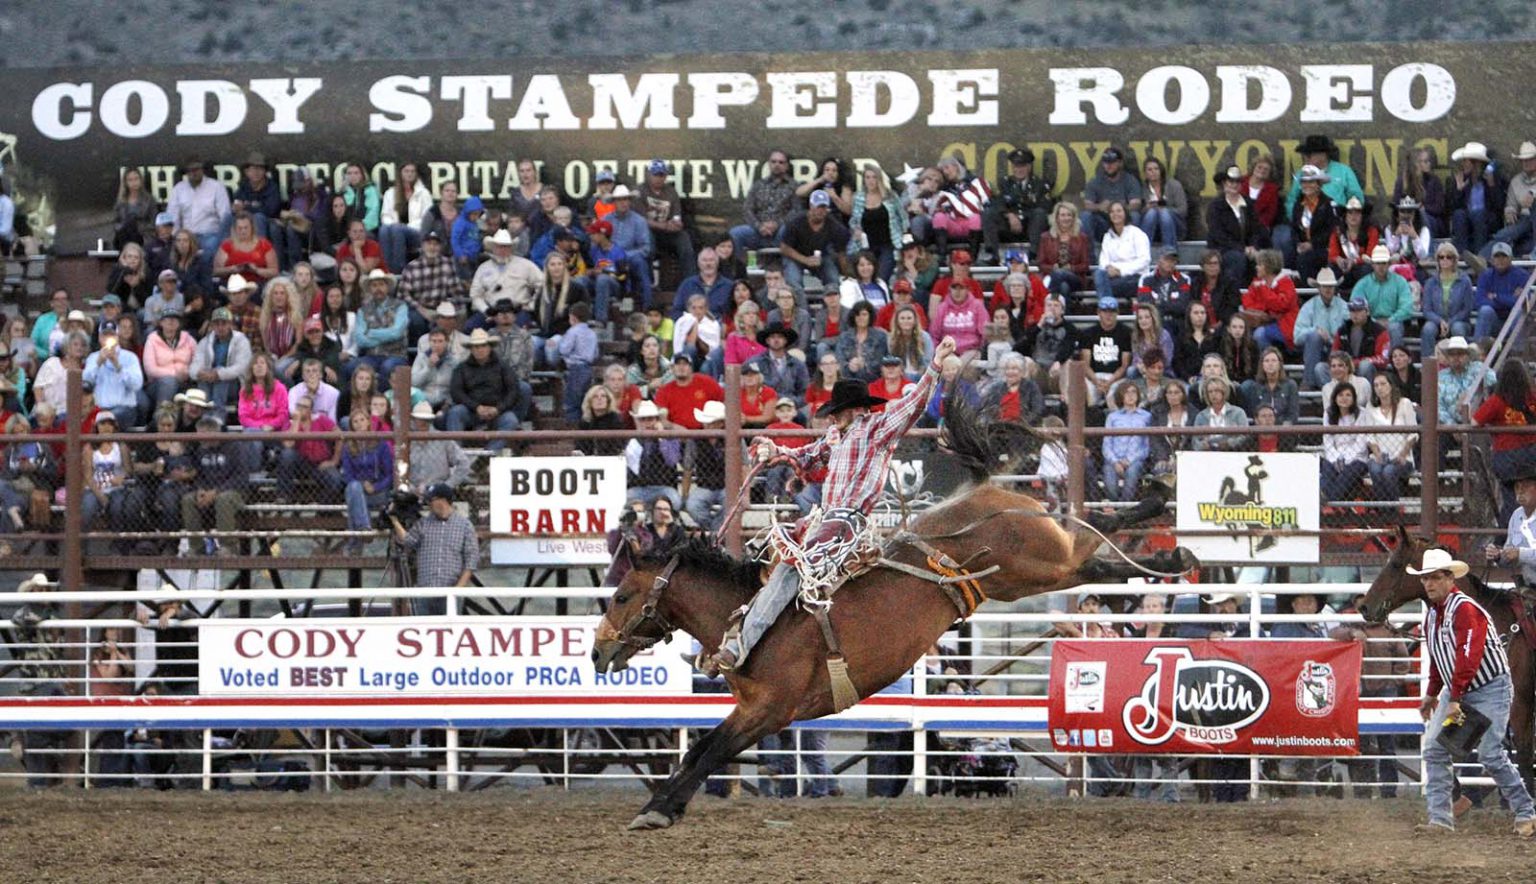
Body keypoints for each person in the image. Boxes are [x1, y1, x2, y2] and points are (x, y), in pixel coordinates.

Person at [710, 335, 960, 673]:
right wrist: (776, 453)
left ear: (855, 410)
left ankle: (739, 645)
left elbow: (912, 404)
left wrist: (934, 365)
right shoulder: (835, 437)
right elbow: (807, 456)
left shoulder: (876, 427)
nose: (832, 419)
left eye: (837, 413)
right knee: (770, 558)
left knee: (791, 568)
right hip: (826, 520)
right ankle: (742, 637)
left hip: (848, 524)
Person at [1407, 548, 1536, 836]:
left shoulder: (1465, 610)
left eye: (1435, 578)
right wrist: (1431, 693)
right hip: (1465, 690)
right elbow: (1442, 659)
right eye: (1426, 578)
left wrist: (1452, 698)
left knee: (1490, 754)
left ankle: (1527, 811)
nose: (1429, 584)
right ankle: (1440, 819)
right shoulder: (1433, 617)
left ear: (1449, 579)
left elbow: (1469, 656)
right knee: (1436, 750)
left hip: (1489, 689)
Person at [390, 483, 479, 616]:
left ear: (443, 501)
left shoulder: (465, 526)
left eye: (431, 501)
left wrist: (458, 590)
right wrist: (394, 521)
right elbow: (408, 541)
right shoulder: (423, 523)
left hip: (451, 591)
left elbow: (471, 560)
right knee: (424, 631)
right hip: (425, 590)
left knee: (450, 632)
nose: (428, 505)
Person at [1473, 359, 1536, 519]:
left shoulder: (1496, 401)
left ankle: (1505, 538)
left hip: (1507, 458)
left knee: (1511, 501)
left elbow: (1474, 422)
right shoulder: (1532, 398)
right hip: (1531, 455)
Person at [445, 328, 523, 450]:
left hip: (498, 412)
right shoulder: (461, 368)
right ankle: (456, 456)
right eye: (476, 346)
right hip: (471, 412)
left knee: (511, 420)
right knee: (456, 412)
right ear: (471, 349)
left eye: (483, 346)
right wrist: (476, 407)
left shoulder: (503, 367)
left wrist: (498, 409)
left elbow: (513, 391)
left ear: (489, 347)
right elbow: (456, 392)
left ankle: (487, 456)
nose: (479, 349)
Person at [180, 416, 245, 556]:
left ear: (214, 431)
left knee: (223, 499)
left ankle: (229, 547)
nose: (200, 438)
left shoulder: (233, 446)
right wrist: (200, 490)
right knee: (188, 500)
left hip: (234, 492)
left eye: (203, 434)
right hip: (208, 491)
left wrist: (215, 492)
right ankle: (196, 547)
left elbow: (241, 477)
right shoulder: (198, 449)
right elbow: (197, 475)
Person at [983, 147, 1053, 264]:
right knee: (988, 213)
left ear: (1029, 167)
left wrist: (1022, 217)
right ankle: (993, 255)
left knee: (1040, 214)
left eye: (1022, 166)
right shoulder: (1004, 183)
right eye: (1016, 166)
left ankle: (1033, 255)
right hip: (1008, 226)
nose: (1019, 170)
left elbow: (1046, 207)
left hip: (1030, 227)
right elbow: (998, 203)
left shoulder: (1040, 184)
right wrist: (1010, 215)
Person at [340, 406, 393, 553]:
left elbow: (390, 474)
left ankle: (354, 545)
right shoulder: (348, 447)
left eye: (362, 420)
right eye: (355, 422)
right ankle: (364, 528)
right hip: (359, 491)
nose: (359, 424)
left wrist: (375, 487)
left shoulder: (381, 444)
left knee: (353, 500)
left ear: (368, 422)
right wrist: (363, 485)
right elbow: (348, 475)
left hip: (379, 492)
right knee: (354, 488)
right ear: (352, 426)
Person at [1207, 165, 1268, 287]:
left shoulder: (1248, 203)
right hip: (1222, 250)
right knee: (1237, 258)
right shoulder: (1215, 206)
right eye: (1231, 181)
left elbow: (1257, 229)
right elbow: (1218, 235)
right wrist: (1241, 249)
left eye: (1237, 182)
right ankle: (1235, 294)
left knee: (1263, 258)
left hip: (1246, 249)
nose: (1234, 185)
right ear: (1224, 184)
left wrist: (1253, 246)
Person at [730, 149, 798, 257]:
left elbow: (796, 211)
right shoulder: (758, 185)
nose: (777, 165)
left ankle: (783, 265)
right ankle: (737, 269)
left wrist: (777, 224)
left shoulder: (794, 186)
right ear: (769, 164)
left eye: (781, 162)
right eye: (773, 162)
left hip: (780, 234)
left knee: (787, 230)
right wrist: (759, 226)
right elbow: (747, 209)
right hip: (758, 232)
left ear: (787, 166)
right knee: (735, 233)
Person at [637, 159, 695, 282]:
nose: (658, 178)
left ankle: (690, 282)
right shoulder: (640, 191)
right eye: (655, 174)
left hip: (667, 233)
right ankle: (648, 282)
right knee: (647, 239)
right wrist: (662, 225)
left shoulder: (671, 192)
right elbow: (640, 220)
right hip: (648, 231)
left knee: (684, 239)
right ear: (648, 175)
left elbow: (676, 216)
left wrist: (676, 224)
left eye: (661, 175)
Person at [779, 190, 850, 290]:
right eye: (818, 207)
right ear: (811, 206)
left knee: (833, 279)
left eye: (824, 207)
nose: (821, 211)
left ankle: (831, 303)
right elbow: (784, 248)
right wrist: (805, 260)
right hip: (795, 256)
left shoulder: (834, 225)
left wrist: (847, 274)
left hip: (821, 256)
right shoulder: (796, 221)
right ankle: (801, 305)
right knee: (793, 280)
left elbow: (841, 252)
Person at [83, 322, 148, 428]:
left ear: (117, 337)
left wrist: (118, 366)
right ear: (99, 337)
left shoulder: (130, 357)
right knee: (98, 418)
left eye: (112, 335)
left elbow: (136, 385)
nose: (108, 338)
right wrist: (98, 363)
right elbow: (85, 383)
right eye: (105, 335)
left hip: (124, 409)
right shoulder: (93, 358)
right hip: (99, 408)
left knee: (107, 419)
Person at [1447, 141, 1507, 257]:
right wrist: (1459, 190)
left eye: (1466, 161)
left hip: (1486, 219)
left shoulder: (1492, 178)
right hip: (1468, 218)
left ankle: (1479, 256)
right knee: (1459, 214)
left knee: (1479, 215)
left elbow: (1499, 206)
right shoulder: (1463, 180)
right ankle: (1461, 255)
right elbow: (1452, 209)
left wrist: (1491, 185)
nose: (1463, 164)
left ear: (1476, 163)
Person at [1364, 373, 1417, 502]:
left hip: (1403, 456)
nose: (1379, 388)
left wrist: (1403, 454)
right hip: (1379, 454)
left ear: (1391, 386)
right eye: (1376, 385)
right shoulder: (1371, 407)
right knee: (1376, 470)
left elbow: (1413, 434)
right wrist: (1377, 454)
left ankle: (1392, 509)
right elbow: (1370, 435)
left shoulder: (1405, 403)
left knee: (1388, 471)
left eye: (1383, 384)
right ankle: (1383, 509)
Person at [848, 162, 907, 278]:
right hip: (866, 245)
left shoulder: (890, 196)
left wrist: (904, 235)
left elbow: (903, 217)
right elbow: (854, 220)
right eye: (867, 177)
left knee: (882, 277)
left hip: (888, 244)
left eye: (874, 177)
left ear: (879, 179)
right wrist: (855, 230)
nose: (871, 181)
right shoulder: (858, 197)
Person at [624, 400, 683, 511]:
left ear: (657, 420)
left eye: (650, 419)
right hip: (639, 488)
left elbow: (672, 460)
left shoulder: (670, 438)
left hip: (664, 487)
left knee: (675, 502)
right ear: (639, 422)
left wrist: (661, 437)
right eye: (643, 419)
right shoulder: (632, 441)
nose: (647, 423)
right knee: (622, 501)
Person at [166, 157, 231, 257]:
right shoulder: (178, 189)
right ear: (186, 173)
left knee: (210, 248)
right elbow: (172, 217)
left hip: (210, 235)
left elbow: (225, 216)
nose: (193, 173)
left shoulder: (216, 187)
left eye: (196, 169)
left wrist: (221, 238)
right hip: (187, 236)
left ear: (202, 169)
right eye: (190, 170)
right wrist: (177, 238)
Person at [1352, 245, 1413, 349]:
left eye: (1384, 263)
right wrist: (1373, 322)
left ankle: (1395, 361)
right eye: (1378, 263)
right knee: (1357, 329)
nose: (1381, 266)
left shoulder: (1400, 282)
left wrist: (1390, 320)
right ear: (1372, 265)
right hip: (1369, 323)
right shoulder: (1362, 284)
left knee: (1394, 328)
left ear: (1389, 264)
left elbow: (1407, 307)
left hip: (1393, 321)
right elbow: (1356, 306)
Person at [1420, 242, 1475, 357]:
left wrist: (1450, 322)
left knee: (1457, 329)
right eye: (1441, 257)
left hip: (1459, 321)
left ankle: (1461, 363)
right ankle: (1428, 366)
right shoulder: (1430, 282)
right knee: (1428, 329)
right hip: (1436, 321)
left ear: (1455, 260)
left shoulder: (1465, 281)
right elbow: (1427, 309)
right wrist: (1440, 321)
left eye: (1448, 257)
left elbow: (1467, 309)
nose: (1444, 260)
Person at [1080, 147, 1142, 246]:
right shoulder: (1095, 181)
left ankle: (1132, 246)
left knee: (1135, 215)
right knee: (1085, 216)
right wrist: (1099, 206)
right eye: (1106, 162)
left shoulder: (1130, 180)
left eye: (1112, 162)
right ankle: (1089, 251)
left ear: (1120, 163)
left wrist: (1119, 208)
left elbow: (1136, 204)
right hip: (1103, 222)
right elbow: (1087, 205)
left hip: (1123, 222)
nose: (1109, 166)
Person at [683, 400, 729, 531]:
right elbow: (688, 468)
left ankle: (713, 535)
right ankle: (716, 532)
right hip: (704, 486)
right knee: (692, 506)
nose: (708, 425)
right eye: (707, 421)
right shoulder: (695, 438)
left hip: (728, 486)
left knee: (732, 506)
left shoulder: (733, 437)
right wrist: (685, 495)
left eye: (712, 422)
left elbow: (744, 465)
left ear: (721, 423)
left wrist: (744, 490)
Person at [1102, 382, 1151, 502]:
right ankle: (1115, 509)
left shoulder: (1147, 416)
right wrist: (1115, 462)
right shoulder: (1112, 417)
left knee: (1132, 473)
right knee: (1110, 486)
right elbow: (1106, 444)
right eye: (1126, 392)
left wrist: (1129, 460)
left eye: (1133, 392)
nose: (1130, 395)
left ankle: (1125, 511)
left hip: (1135, 460)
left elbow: (1147, 446)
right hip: (1113, 460)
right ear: (1120, 396)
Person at [1321, 382, 1369, 501]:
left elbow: (1361, 443)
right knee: (1327, 468)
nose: (1344, 398)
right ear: (1335, 397)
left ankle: (1328, 501)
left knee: (1348, 472)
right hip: (1334, 457)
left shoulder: (1361, 413)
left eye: (1348, 395)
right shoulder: (1328, 413)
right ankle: (1334, 504)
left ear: (1354, 398)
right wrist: (1336, 458)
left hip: (1357, 458)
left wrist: (1345, 460)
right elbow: (1327, 441)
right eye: (1341, 395)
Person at [1079, 296, 1131, 405]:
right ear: (1098, 312)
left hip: (1116, 377)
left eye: (1112, 311)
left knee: (1113, 397)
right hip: (1094, 375)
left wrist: (1110, 382)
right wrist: (1096, 381)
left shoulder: (1126, 333)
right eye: (1105, 311)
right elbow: (1085, 364)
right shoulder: (1088, 333)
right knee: (1090, 399)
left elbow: (1124, 365)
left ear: (1117, 313)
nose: (1108, 315)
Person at [1473, 242, 1532, 340]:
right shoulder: (1485, 276)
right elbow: (1479, 302)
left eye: (1504, 256)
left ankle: (1517, 352)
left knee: (1518, 312)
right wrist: (1509, 299)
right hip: (1494, 322)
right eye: (1497, 257)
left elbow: (1523, 302)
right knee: (1485, 310)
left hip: (1514, 321)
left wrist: (1496, 297)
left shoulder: (1522, 275)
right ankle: (1478, 349)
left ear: (1511, 258)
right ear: (1492, 260)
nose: (1500, 260)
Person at [1094, 202, 1150, 302]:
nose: (1115, 214)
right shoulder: (1107, 237)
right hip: (1113, 278)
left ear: (1125, 213)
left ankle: (1106, 307)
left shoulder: (1136, 233)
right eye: (1112, 212)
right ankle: (1109, 306)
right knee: (1099, 273)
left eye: (1119, 211)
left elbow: (1144, 260)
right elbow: (1103, 261)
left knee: (1103, 285)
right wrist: (1108, 268)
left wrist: (1120, 270)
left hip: (1135, 277)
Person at [1488, 469, 1536, 586]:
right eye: (1517, 487)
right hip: (1530, 586)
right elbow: (1509, 556)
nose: (1520, 490)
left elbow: (1517, 554)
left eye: (1526, 486)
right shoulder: (1516, 516)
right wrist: (1499, 555)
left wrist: (1520, 554)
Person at [654, 352, 723, 430]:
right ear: (672, 368)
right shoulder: (664, 391)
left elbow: (724, 402)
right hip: (677, 436)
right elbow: (661, 419)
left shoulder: (707, 382)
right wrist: (674, 427)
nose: (681, 367)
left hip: (707, 433)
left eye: (685, 364)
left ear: (691, 367)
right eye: (677, 364)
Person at [1137, 156, 1187, 249]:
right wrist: (1147, 208)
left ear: (1161, 170)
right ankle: (1143, 250)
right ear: (1145, 173)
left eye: (1156, 169)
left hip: (1174, 226)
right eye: (1150, 169)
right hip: (1151, 226)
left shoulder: (1174, 185)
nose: (1153, 172)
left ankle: (1169, 251)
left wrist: (1165, 209)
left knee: (1163, 213)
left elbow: (1183, 210)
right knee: (1152, 212)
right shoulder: (1142, 188)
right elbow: (1139, 213)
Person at [979, 352, 1042, 425]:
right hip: (998, 427)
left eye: (1014, 368)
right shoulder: (995, 388)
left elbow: (1038, 411)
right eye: (1007, 369)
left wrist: (1022, 424)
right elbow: (987, 412)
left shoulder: (1031, 387)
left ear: (1022, 371)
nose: (1010, 372)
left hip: (1023, 428)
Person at [1190, 377, 1249, 451]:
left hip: (1232, 453)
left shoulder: (1238, 412)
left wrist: (1229, 443)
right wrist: (1203, 445)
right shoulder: (1201, 416)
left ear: (1224, 392)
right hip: (1208, 454)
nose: (1213, 394)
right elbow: (1195, 441)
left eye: (1217, 391)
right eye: (1210, 392)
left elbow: (1245, 436)